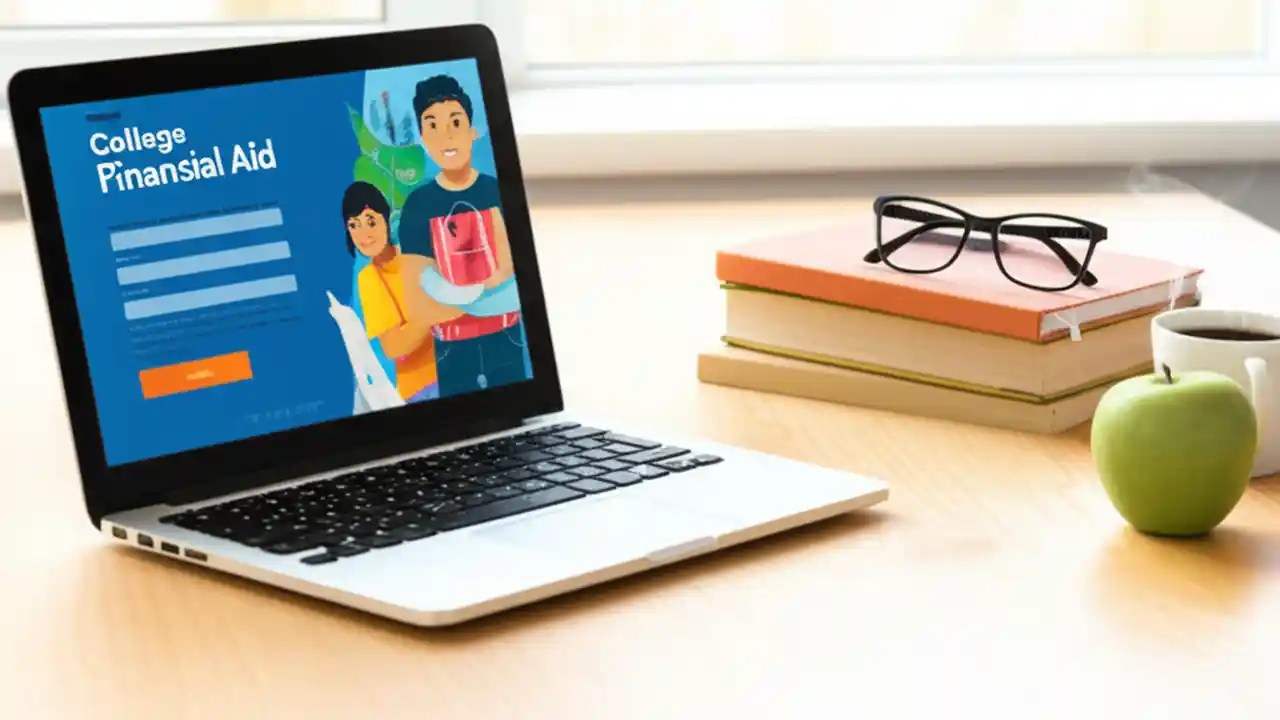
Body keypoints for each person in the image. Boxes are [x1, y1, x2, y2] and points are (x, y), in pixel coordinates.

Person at [398, 74, 529, 396]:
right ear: (422, 138)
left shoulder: (497, 191)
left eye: (455, 123)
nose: (445, 137)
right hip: (451, 348)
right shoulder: (418, 205)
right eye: (432, 126)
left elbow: (514, 272)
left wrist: (457, 294)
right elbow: (418, 299)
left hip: (507, 337)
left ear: (472, 131)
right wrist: (483, 294)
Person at [343, 181, 460, 402]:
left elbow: (462, 304)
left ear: (386, 218)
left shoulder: (416, 251)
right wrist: (431, 314)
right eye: (354, 225)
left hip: (463, 367)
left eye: (370, 221)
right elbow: (395, 346)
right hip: (422, 389)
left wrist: (420, 320)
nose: (364, 234)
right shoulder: (369, 278)